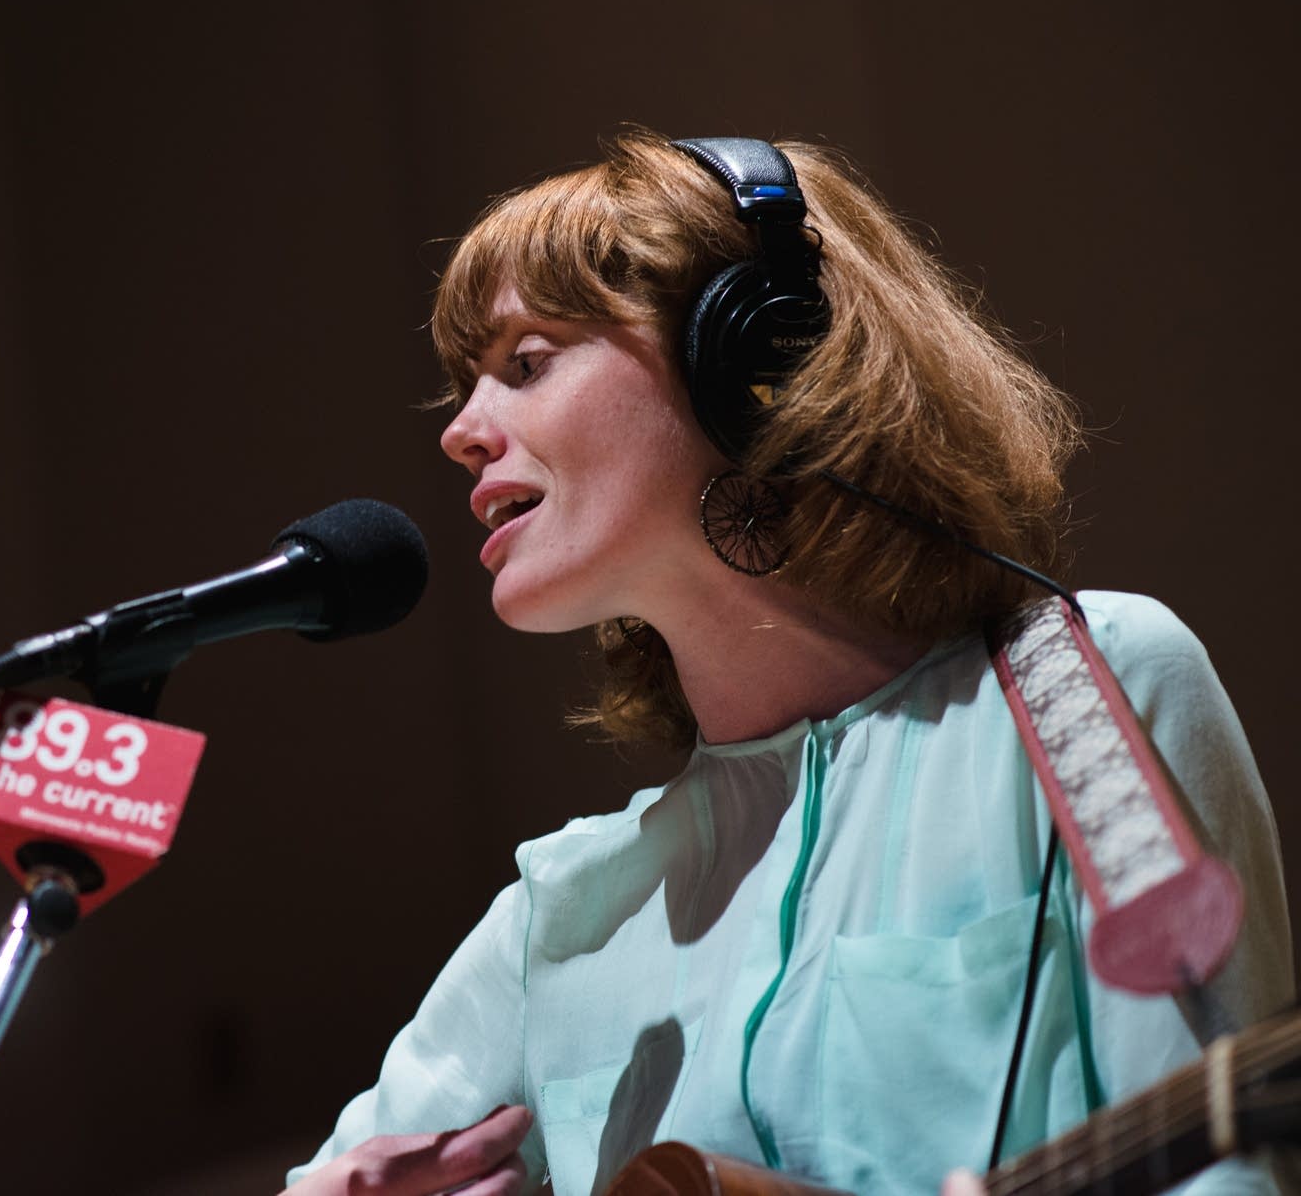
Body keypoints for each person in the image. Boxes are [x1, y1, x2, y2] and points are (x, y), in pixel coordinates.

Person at [282, 130, 1292, 1196]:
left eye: (522, 364)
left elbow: (1229, 1175)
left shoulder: (1090, 699)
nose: (460, 432)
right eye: (464, 384)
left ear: (751, 361)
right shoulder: (560, 915)